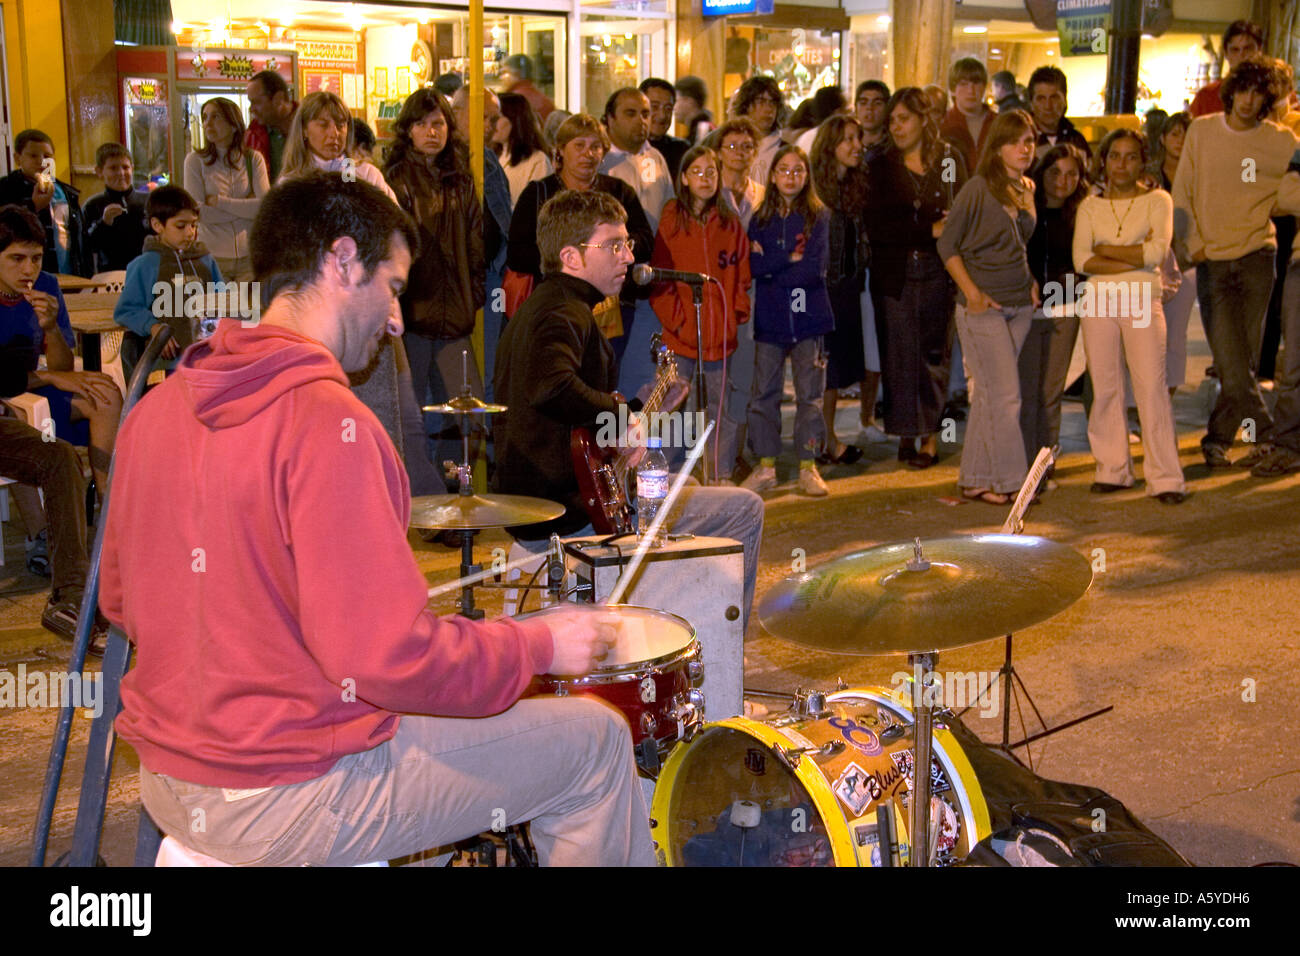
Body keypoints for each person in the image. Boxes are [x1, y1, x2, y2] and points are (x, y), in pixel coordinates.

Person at [100, 172, 652, 867]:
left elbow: (120, 599)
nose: (396, 320)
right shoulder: (329, 423)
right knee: (595, 741)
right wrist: (539, 645)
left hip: (171, 782)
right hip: (290, 794)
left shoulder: (157, 410)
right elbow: (386, 660)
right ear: (341, 261)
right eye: (392, 287)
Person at [494, 188, 763, 628]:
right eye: (614, 245)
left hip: (558, 502)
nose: (629, 257)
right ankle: (715, 648)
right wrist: (624, 417)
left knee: (686, 482)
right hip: (571, 514)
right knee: (745, 510)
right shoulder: (562, 311)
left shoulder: (549, 307)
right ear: (571, 257)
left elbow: (568, 415)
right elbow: (551, 387)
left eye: (628, 243)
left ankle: (676, 625)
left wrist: (641, 406)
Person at [1172, 59, 1295, 469]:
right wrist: (1193, 245)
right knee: (1230, 361)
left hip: (1258, 256)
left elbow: (1291, 190)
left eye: (1259, 93)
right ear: (1231, 90)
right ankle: (1266, 433)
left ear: (1268, 99)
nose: (1248, 100)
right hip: (1214, 261)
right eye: (1244, 89)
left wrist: (1270, 203)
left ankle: (1218, 439)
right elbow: (1182, 192)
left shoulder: (1280, 140)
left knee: (1242, 362)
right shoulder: (1203, 131)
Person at [1073, 130, 1186, 504]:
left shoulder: (1158, 200)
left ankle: (1166, 478)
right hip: (1098, 302)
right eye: (1115, 156)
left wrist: (1105, 249)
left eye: (1131, 156)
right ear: (1104, 160)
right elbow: (1081, 260)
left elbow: (1156, 254)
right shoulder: (1089, 206)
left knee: (1151, 387)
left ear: (1143, 161)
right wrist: (1132, 257)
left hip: (1142, 300)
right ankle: (1113, 470)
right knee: (1105, 387)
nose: (1122, 164)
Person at [383, 88, 485, 479]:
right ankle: (418, 498)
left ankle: (454, 494)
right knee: (409, 420)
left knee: (468, 416)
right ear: (408, 130)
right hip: (411, 317)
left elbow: (477, 243)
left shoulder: (461, 180)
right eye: (422, 124)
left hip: (456, 316)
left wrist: (473, 293)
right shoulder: (395, 179)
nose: (431, 132)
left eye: (439, 123)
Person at [937, 110, 1038, 505]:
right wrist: (973, 294)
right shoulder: (978, 188)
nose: (1024, 148)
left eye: (1029, 141)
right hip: (983, 308)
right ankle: (1010, 483)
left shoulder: (1025, 187)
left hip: (1019, 304)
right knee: (1006, 396)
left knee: (990, 396)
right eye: (1014, 141)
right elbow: (947, 244)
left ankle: (975, 478)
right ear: (997, 148)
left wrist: (1029, 280)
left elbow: (1017, 243)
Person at [866, 88, 966, 470]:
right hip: (896, 273)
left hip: (940, 269)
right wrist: (929, 228)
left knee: (934, 355)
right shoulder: (880, 165)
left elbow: (960, 208)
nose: (896, 127)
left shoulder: (948, 159)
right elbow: (879, 227)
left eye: (904, 119)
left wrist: (946, 225)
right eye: (892, 120)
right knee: (899, 355)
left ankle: (931, 439)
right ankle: (906, 433)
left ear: (924, 120)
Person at [507, 113, 654, 363]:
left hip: (611, 307)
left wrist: (610, 248)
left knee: (604, 373)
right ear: (560, 150)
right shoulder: (538, 193)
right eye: (579, 145)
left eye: (596, 146)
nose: (588, 153)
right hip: (553, 306)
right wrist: (572, 259)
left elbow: (645, 242)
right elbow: (517, 253)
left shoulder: (619, 191)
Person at [0, 204, 121, 501]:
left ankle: (107, 501)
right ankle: (40, 522)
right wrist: (50, 377)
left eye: (36, 258)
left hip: (32, 387)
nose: (28, 269)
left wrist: (52, 328)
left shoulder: (46, 285)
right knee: (24, 422)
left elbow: (63, 366)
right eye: (17, 258)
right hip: (8, 398)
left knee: (106, 393)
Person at [649, 145, 751, 482]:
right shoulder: (672, 218)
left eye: (711, 172)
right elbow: (660, 278)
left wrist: (735, 313)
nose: (705, 179)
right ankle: (663, 473)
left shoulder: (729, 222)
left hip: (719, 336)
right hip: (680, 333)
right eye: (697, 172)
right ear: (684, 178)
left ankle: (718, 474)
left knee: (719, 409)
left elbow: (741, 273)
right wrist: (678, 321)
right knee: (671, 405)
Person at [741, 145, 834, 498]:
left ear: (807, 176)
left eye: (798, 170)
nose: (791, 176)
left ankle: (808, 465)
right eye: (784, 169)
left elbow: (814, 269)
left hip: (809, 318)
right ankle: (766, 466)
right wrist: (786, 257)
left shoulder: (818, 216)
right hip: (771, 318)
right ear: (773, 175)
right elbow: (753, 267)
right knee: (764, 394)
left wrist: (774, 266)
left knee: (810, 396)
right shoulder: (760, 219)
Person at [1019, 144, 1087, 479]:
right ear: (1041, 172)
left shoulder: (1083, 212)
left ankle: (1044, 464)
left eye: (1072, 173)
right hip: (1028, 308)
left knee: (1050, 391)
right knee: (1026, 390)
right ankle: (1022, 462)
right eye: (1055, 172)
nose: (1063, 180)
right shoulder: (1026, 207)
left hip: (1066, 307)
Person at [114, 185, 223, 379]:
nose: (189, 233)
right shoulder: (145, 265)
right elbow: (126, 310)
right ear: (157, 225)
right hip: (166, 364)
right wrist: (154, 327)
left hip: (207, 358)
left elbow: (223, 302)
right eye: (181, 226)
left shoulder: (206, 261)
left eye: (193, 225)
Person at [810, 115, 869, 468]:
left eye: (858, 138)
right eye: (848, 139)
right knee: (824, 369)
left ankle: (827, 437)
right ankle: (825, 440)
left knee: (835, 370)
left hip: (846, 287)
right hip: (822, 289)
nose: (857, 146)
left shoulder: (854, 185)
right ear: (830, 145)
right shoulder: (816, 188)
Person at [183, 97, 269, 283]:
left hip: (249, 257)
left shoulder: (253, 159)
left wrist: (220, 202)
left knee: (250, 303)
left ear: (234, 124)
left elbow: (264, 208)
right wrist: (246, 207)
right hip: (212, 257)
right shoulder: (195, 161)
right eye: (205, 117)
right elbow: (198, 213)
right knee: (216, 303)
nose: (208, 123)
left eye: (216, 117)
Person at [0, 130, 89, 277]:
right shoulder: (5, 189)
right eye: (33, 155)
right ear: (18, 158)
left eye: (47, 156)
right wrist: (33, 206)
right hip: (24, 275)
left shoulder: (66, 193)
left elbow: (80, 239)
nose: (41, 161)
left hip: (69, 274)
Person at [277, 92, 395, 202]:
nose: (334, 134)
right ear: (304, 130)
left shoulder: (367, 175)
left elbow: (395, 216)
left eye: (340, 125)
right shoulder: (290, 184)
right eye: (323, 125)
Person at [1150, 112, 1195, 394]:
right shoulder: (1148, 174)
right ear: (1163, 139)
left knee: (1175, 334)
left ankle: (1168, 394)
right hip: (1150, 263)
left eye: (1186, 134)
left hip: (1186, 261)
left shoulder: (1199, 174)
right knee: (1148, 333)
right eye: (1175, 134)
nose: (1180, 140)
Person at [599, 87, 675, 231]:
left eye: (645, 114)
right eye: (630, 114)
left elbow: (670, 209)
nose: (641, 121)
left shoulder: (655, 157)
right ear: (610, 118)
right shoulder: (599, 159)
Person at [82, 143, 151, 274]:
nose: (121, 173)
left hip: (146, 272)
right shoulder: (92, 206)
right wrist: (104, 223)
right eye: (113, 168)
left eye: (125, 167)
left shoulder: (149, 201)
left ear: (132, 168)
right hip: (110, 276)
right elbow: (86, 246)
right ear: (99, 171)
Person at [1190, 19, 1265, 117]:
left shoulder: (1273, 94)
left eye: (1248, 48)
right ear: (1226, 54)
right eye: (1235, 50)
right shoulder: (1207, 96)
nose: (1242, 55)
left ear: (1259, 50)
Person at [494, 92, 552, 207]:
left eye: (497, 117)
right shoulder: (494, 157)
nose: (491, 124)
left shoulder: (537, 161)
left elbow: (538, 207)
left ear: (514, 119)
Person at [940, 58, 996, 175]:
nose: (971, 90)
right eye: (963, 84)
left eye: (976, 83)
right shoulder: (943, 123)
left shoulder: (998, 122)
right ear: (953, 89)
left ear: (984, 87)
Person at [1026, 66, 1092, 163]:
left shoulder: (1077, 140)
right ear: (1031, 104)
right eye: (1041, 99)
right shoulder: (1022, 141)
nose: (1048, 106)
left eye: (1054, 98)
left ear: (1065, 100)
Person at [245, 70, 298, 182]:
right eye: (250, 103)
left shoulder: (311, 126)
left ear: (278, 99)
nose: (251, 109)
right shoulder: (252, 136)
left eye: (256, 102)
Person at [732, 77, 786, 187]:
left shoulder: (784, 150)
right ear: (747, 106)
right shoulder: (731, 146)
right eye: (761, 102)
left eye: (772, 103)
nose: (768, 109)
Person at [641, 77, 690, 181]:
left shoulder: (681, 151)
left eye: (668, 108)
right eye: (654, 107)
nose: (662, 115)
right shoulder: (624, 150)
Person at [499, 54, 555, 123]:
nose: (501, 77)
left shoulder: (511, 101)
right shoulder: (543, 99)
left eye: (505, 72)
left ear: (517, 73)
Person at [855, 80, 892, 162]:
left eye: (877, 103)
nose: (870, 108)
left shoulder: (895, 147)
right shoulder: (847, 145)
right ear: (856, 108)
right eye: (863, 103)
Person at [675, 76, 715, 146]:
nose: (673, 107)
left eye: (676, 100)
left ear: (689, 101)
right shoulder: (699, 130)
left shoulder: (702, 133)